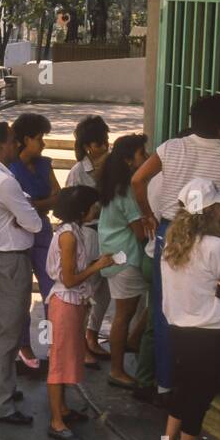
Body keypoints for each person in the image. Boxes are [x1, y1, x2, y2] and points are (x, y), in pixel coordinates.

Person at [131, 95, 220, 402]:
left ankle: (165, 385)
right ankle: (196, 383)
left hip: (170, 231)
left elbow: (138, 179)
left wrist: (147, 215)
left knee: (165, 308)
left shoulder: (171, 147)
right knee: (207, 312)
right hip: (210, 237)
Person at [159, 178, 220, 440]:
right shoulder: (214, 246)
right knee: (201, 393)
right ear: (212, 211)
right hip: (209, 331)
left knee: (184, 385)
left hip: (178, 326)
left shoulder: (173, 242)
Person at [0, 121, 43, 424]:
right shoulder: (5, 181)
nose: (18, 145)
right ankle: (0, 403)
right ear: (1, 144)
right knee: (7, 329)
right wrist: (25, 212)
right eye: (13, 140)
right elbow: (36, 224)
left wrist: (22, 212)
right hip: (10, 261)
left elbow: (24, 216)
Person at [45, 186, 116, 440]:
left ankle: (62, 409)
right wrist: (97, 265)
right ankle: (56, 421)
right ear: (82, 210)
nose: (96, 210)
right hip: (65, 302)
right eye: (93, 207)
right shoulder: (68, 237)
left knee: (65, 358)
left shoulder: (73, 231)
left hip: (71, 302)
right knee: (58, 362)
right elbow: (69, 278)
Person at [97, 133, 151, 388]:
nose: (147, 157)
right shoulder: (127, 191)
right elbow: (140, 232)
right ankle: (117, 370)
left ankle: (130, 345)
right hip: (126, 259)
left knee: (126, 314)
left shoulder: (114, 185)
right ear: (130, 160)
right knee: (123, 316)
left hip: (117, 257)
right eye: (142, 153)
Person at [8, 112, 59, 370]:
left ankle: (52, 343)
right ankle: (24, 345)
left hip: (43, 232)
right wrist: (39, 205)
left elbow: (57, 197)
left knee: (51, 290)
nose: (43, 144)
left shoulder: (43, 164)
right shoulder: (10, 168)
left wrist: (33, 206)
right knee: (22, 294)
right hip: (19, 236)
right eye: (40, 139)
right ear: (26, 139)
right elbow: (16, 210)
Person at [66, 115, 112, 361]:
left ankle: (91, 337)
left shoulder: (110, 167)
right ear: (87, 146)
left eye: (105, 141)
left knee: (104, 292)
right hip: (87, 234)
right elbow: (72, 209)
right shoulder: (78, 172)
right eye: (99, 143)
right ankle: (79, 344)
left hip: (107, 233)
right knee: (87, 291)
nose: (105, 146)